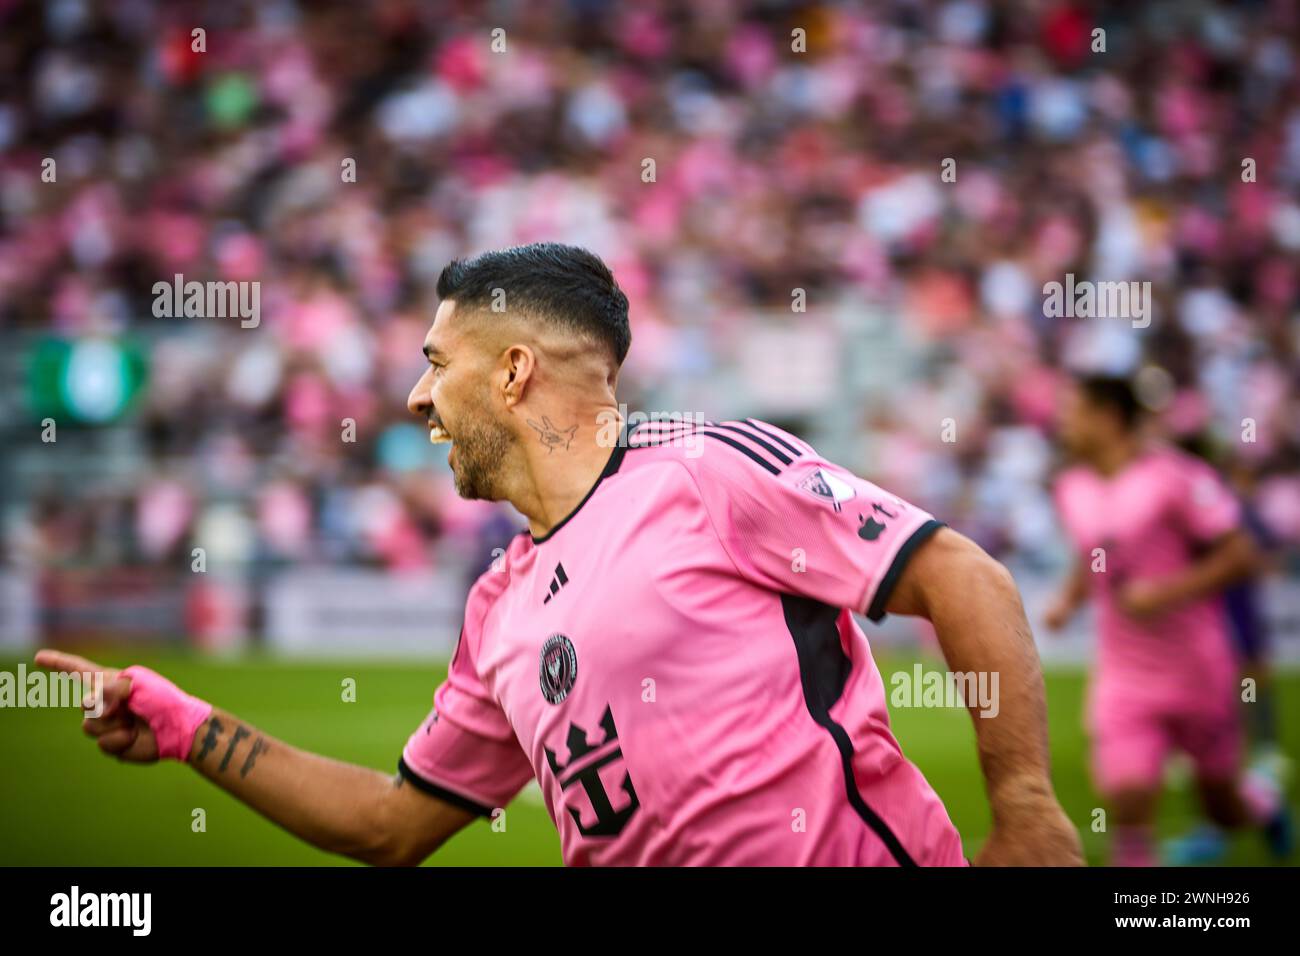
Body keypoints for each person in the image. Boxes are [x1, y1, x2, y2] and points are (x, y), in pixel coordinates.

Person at [39, 243, 1081, 866]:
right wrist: (188, 727)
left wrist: (1027, 805)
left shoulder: (703, 468)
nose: (413, 399)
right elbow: (391, 824)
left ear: (515, 371)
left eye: (436, 365)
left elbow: (960, 573)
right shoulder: (498, 607)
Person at [1045, 374, 1289, 866]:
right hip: (1124, 672)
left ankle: (1262, 805)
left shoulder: (1176, 477)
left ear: (1108, 417)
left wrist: (1166, 592)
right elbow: (1092, 554)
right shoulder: (1072, 487)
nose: (1064, 422)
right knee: (1129, 798)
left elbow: (1241, 554)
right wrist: (1070, 600)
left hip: (1195, 669)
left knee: (1222, 805)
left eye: (1074, 410)